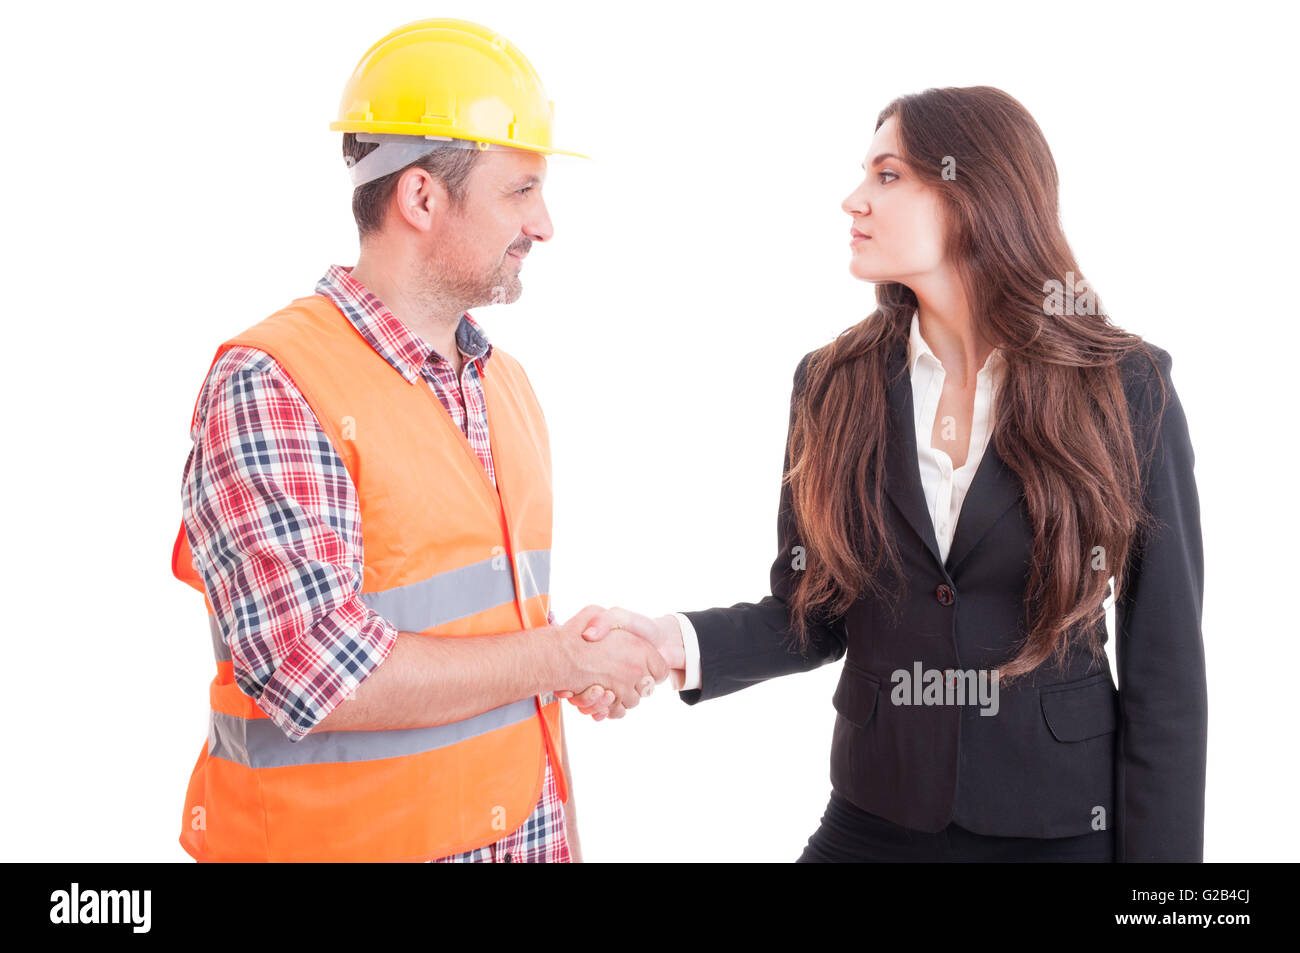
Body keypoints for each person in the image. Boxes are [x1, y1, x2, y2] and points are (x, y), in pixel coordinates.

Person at [570, 86, 1207, 863]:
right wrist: (671, 640)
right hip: (876, 817)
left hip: (1061, 825)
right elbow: (811, 612)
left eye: (888, 175)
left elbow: (1166, 670)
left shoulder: (1125, 386)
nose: (854, 199)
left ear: (976, 192)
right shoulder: (832, 383)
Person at [171, 18, 668, 863]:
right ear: (422, 197)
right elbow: (314, 670)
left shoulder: (501, 383)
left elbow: (512, 659)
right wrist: (559, 657)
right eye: (520, 190)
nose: (545, 224)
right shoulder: (275, 382)